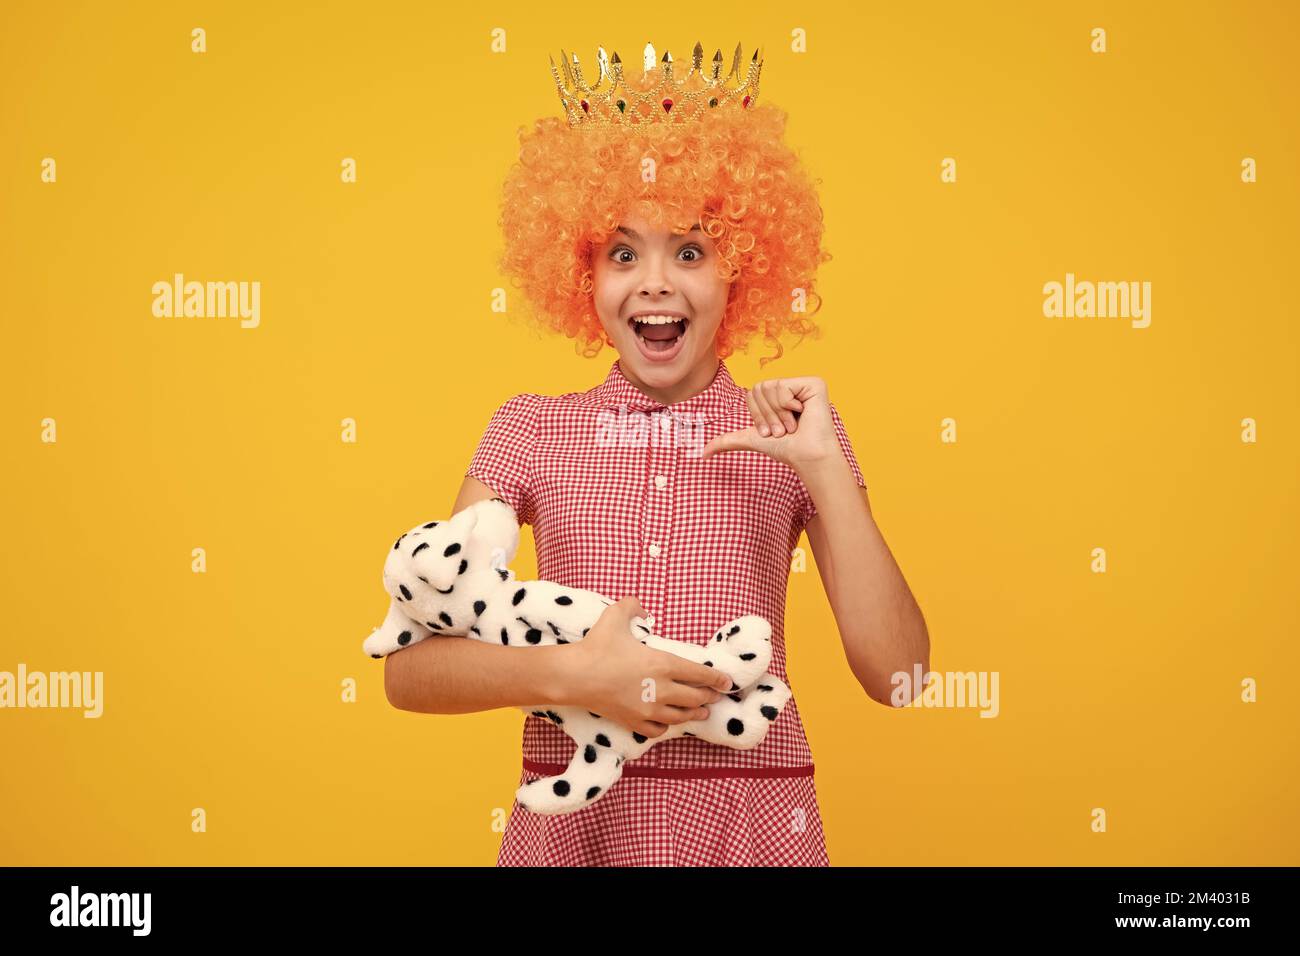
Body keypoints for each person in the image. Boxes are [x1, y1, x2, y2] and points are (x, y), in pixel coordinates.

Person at [383, 41, 929, 866]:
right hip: (576, 827)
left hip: (751, 828)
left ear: (739, 271)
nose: (656, 284)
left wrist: (822, 468)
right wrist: (574, 677)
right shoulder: (529, 430)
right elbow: (413, 671)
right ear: (581, 273)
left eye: (691, 249)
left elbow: (904, 680)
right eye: (623, 252)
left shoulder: (795, 434)